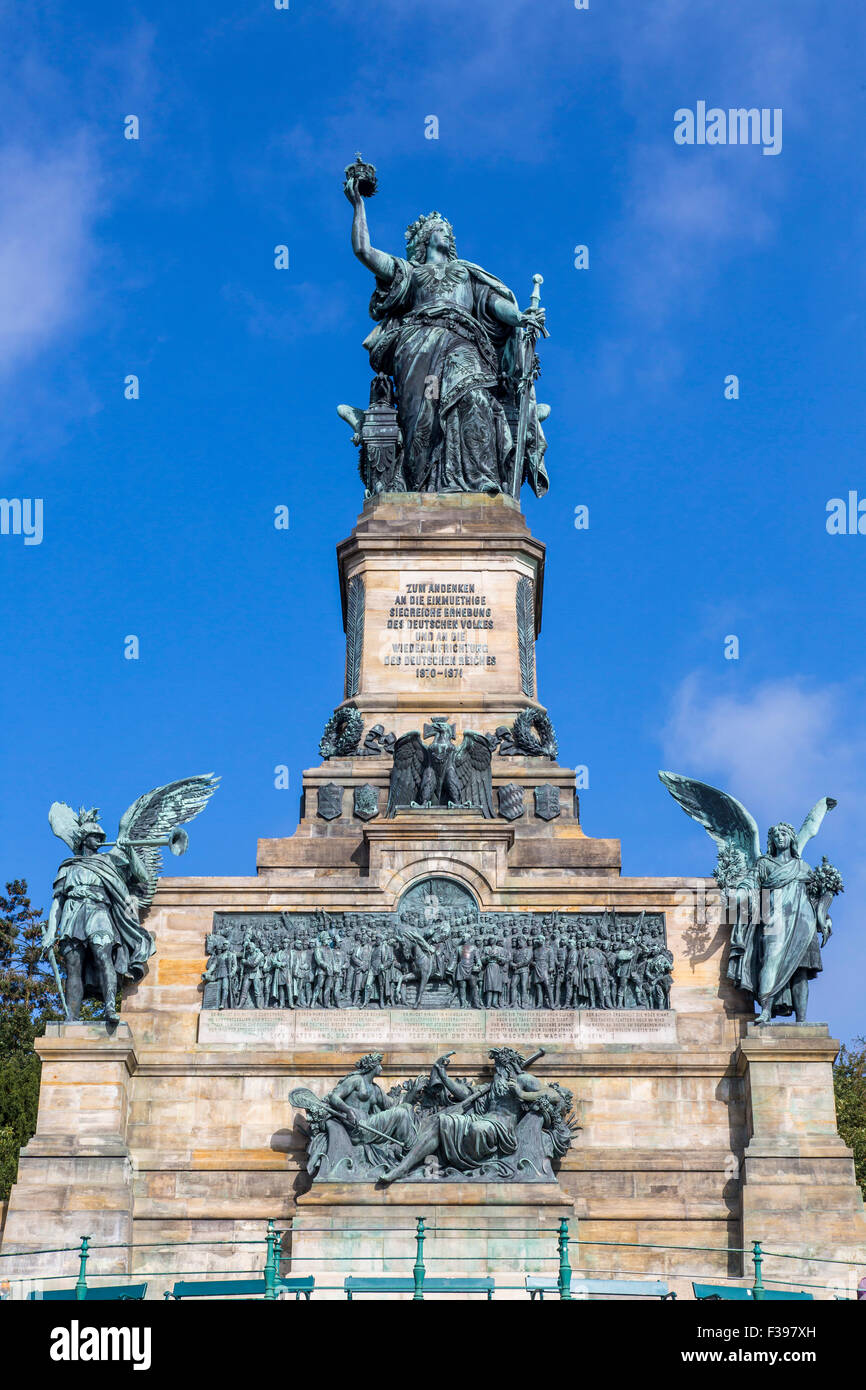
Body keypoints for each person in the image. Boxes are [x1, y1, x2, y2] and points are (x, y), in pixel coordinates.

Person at [346, 176, 548, 496]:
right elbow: (363, 251)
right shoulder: (409, 272)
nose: (446, 230)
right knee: (420, 421)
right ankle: (418, 488)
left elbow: (495, 304)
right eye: (439, 227)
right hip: (417, 345)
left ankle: (480, 481)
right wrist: (358, 205)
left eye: (447, 229)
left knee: (475, 396)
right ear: (426, 239)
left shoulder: (466, 273)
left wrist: (520, 317)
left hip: (463, 340)